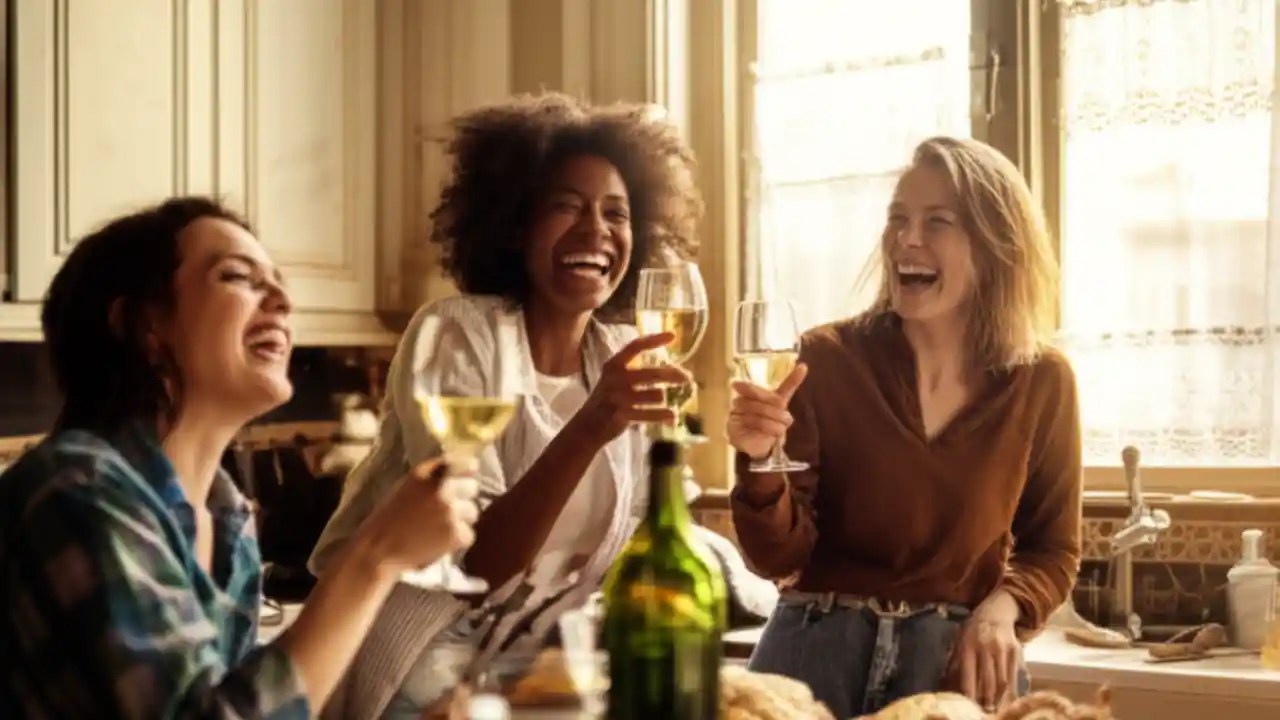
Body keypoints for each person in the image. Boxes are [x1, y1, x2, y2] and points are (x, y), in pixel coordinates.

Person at [0, 198, 479, 718]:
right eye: (237, 277)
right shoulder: (76, 490)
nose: (281, 301)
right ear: (144, 325)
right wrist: (374, 557)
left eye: (277, 281)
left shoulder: (226, 519)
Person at [308, 93, 704, 717]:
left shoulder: (624, 352)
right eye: (566, 207)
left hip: (539, 669)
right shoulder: (459, 335)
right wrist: (593, 423)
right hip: (414, 659)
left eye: (616, 213)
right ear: (515, 225)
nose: (596, 230)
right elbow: (479, 560)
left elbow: (648, 536)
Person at [727, 137, 1082, 718]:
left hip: (953, 675)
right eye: (898, 219)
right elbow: (776, 558)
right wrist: (762, 460)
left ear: (997, 245)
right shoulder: (822, 359)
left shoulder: (1044, 380)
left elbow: (1054, 547)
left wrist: (1005, 606)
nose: (906, 240)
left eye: (937, 222)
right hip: (812, 658)